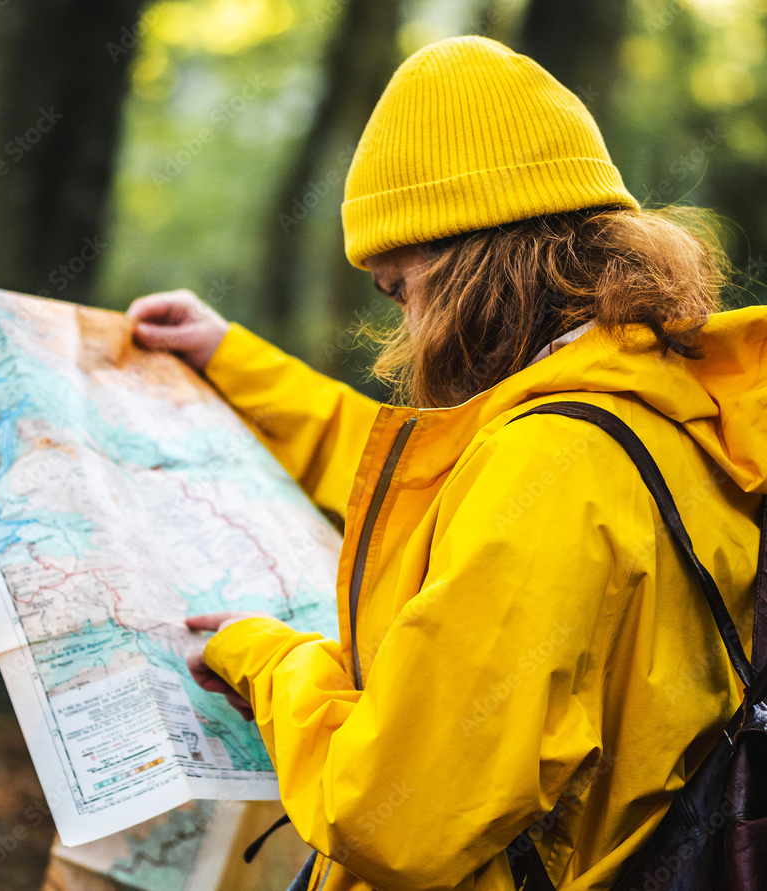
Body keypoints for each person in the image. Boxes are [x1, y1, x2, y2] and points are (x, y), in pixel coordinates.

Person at [126, 36, 767, 891]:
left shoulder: (553, 461)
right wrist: (234, 363)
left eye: (399, 288)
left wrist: (267, 658)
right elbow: (438, 488)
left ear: (468, 261)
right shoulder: (659, 404)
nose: (404, 326)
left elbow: (391, 812)